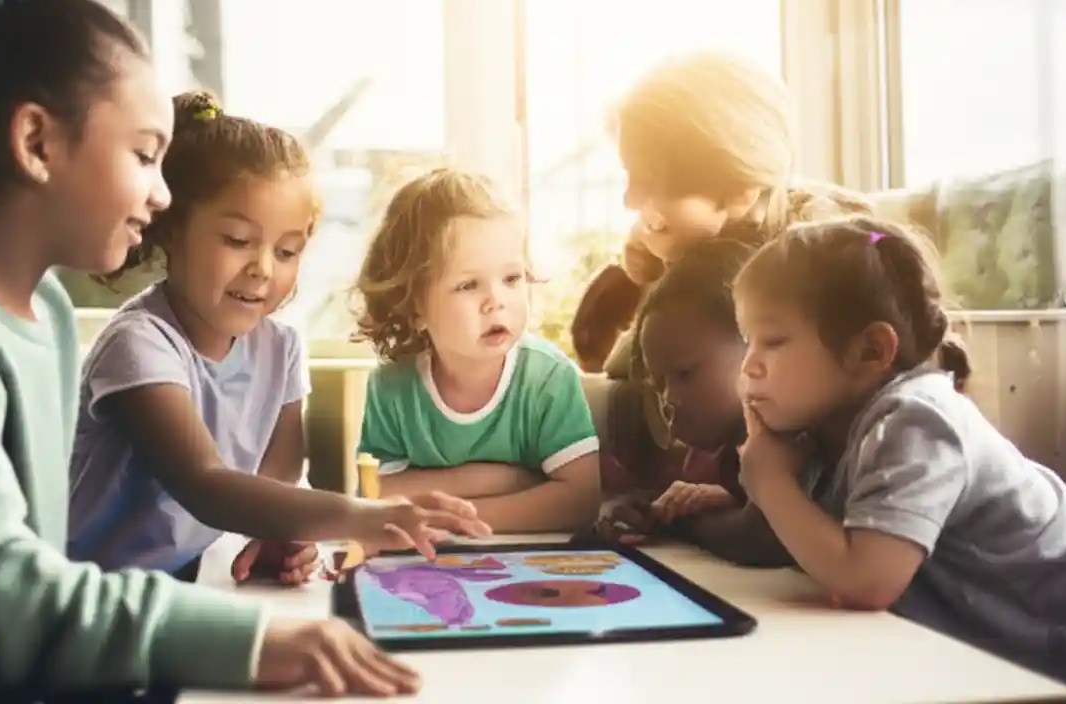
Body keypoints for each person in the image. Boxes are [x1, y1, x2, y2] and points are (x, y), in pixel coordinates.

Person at [0, 0, 457, 698]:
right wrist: (252, 638)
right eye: (145, 156)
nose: (163, 194)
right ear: (37, 143)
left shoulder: (44, 310)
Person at [68, 91, 490, 585]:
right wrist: (366, 516)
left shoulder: (281, 348)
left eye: (287, 251)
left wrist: (275, 535)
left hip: (186, 582)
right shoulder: (138, 344)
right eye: (237, 241)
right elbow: (204, 484)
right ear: (171, 230)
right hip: (88, 595)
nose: (263, 269)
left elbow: (278, 478)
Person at [730, 216, 1066, 684]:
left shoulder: (914, 420)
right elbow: (815, 545)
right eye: (746, 341)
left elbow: (867, 580)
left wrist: (771, 484)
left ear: (871, 350)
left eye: (772, 341)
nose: (749, 365)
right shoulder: (827, 431)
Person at [569, 51, 873, 481]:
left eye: (651, 182)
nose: (631, 201)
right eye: (630, 178)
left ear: (740, 190)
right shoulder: (719, 241)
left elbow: (633, 370)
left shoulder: (802, 273)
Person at [353, 169, 603, 533]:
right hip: (430, 570)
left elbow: (580, 501)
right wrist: (499, 480)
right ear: (414, 308)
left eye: (512, 279)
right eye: (468, 285)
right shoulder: (392, 388)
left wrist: (454, 516)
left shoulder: (548, 379)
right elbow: (372, 493)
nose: (496, 301)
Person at [592, 239, 753, 544]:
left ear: (755, 345)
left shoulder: (791, 442)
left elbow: (758, 537)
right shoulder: (712, 456)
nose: (669, 399)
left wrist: (684, 523)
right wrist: (651, 513)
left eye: (686, 374)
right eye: (659, 383)